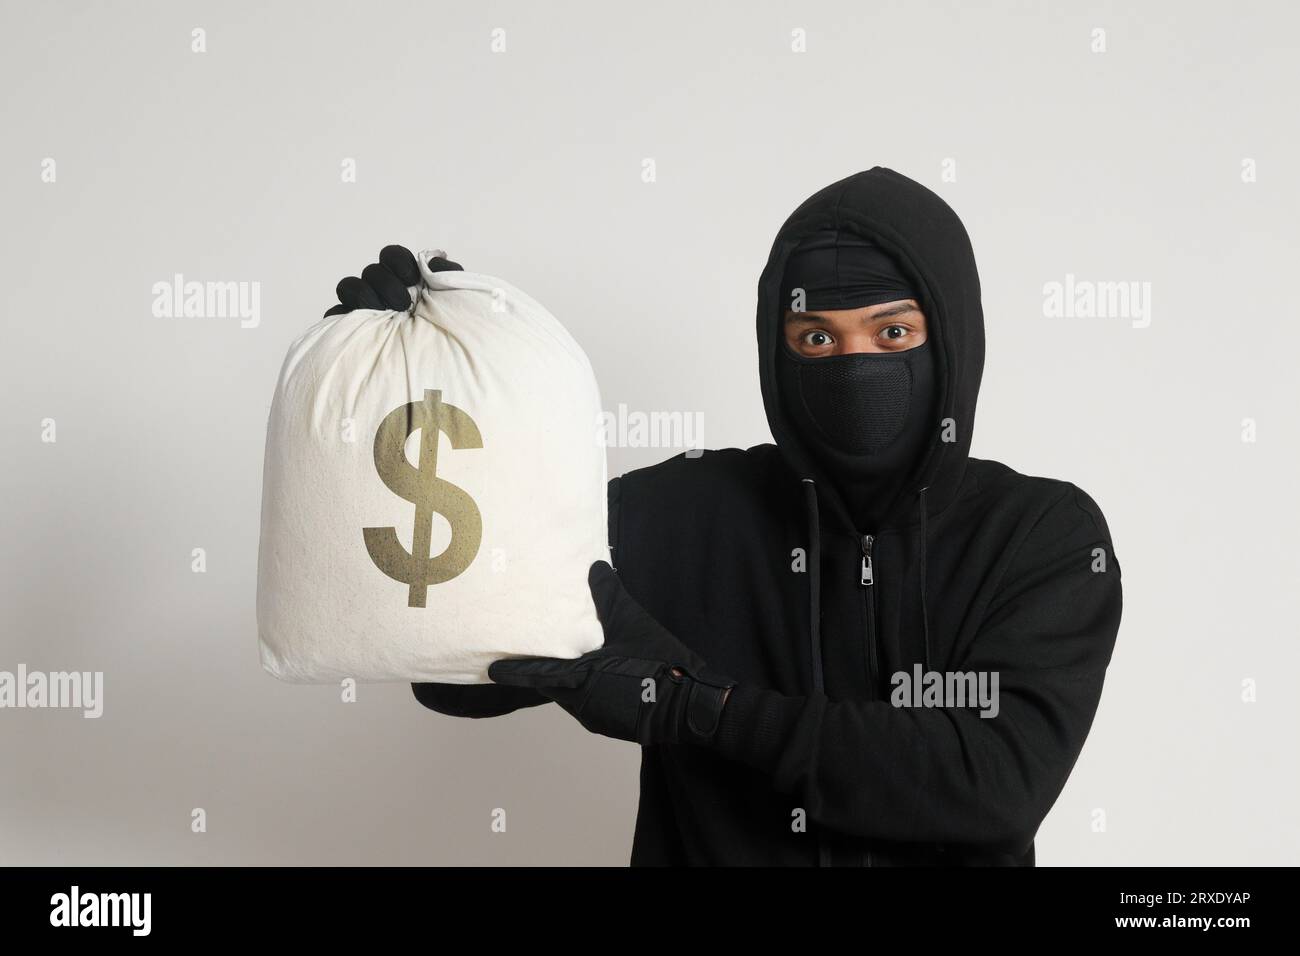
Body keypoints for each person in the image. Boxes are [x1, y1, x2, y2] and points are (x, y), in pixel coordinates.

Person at [325, 166, 1123, 866]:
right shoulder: (674, 514)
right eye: (816, 335)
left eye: (892, 332)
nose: (853, 366)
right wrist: (413, 384)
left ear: (952, 341)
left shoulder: (1041, 537)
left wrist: (696, 706)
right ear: (777, 351)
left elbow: (990, 786)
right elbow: (456, 675)